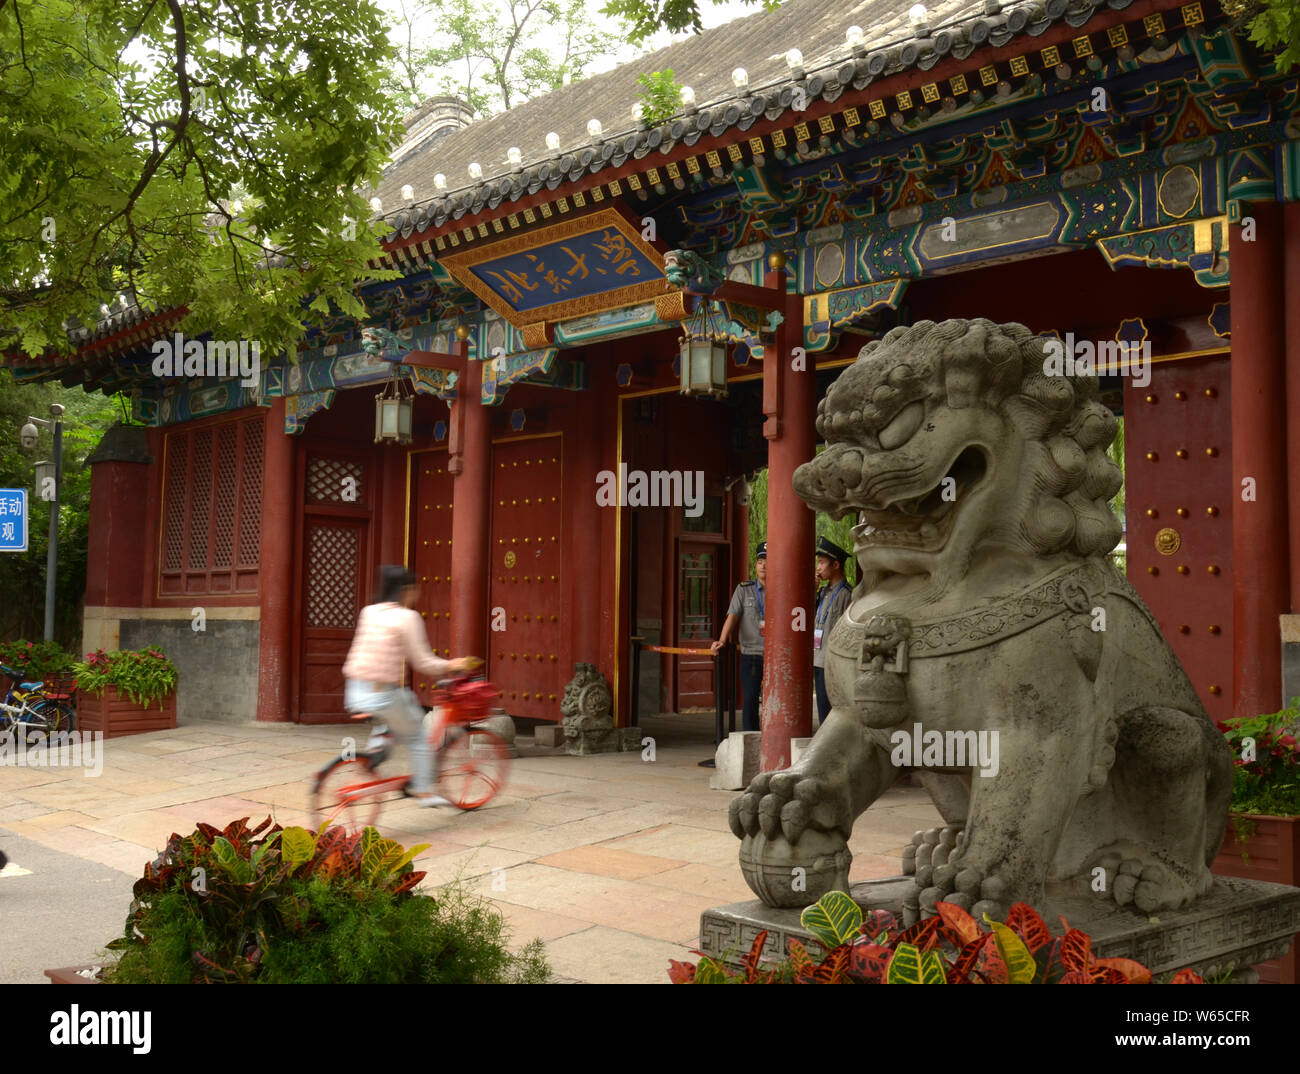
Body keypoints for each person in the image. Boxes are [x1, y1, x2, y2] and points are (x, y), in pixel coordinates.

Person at [342, 565, 477, 805]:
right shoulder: (407, 616)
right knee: (418, 737)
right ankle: (423, 790)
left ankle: (377, 752)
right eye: (415, 589)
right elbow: (423, 662)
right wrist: (453, 665)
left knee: (402, 706)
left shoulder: (368, 612)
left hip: (354, 690)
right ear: (407, 590)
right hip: (381, 693)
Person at [712, 542, 767, 732]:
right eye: (760, 561)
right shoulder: (744, 589)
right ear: (755, 565)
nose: (763, 566)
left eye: (767, 561)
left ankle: (772, 740)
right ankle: (751, 737)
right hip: (751, 654)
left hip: (775, 656)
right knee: (750, 698)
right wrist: (722, 639)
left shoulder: (782, 590)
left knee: (774, 700)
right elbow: (732, 616)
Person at [813, 536, 853, 726]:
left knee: (833, 709)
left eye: (822, 563)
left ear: (835, 564)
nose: (818, 568)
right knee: (822, 707)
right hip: (819, 659)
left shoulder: (846, 594)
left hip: (834, 661)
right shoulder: (822, 592)